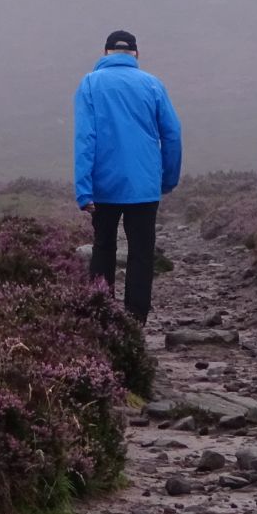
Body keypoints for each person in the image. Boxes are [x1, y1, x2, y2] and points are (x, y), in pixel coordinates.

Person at [72, 29, 183, 325]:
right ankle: (136, 319)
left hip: (103, 186)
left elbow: (85, 139)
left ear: (105, 53)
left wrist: (83, 190)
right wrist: (167, 179)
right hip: (145, 185)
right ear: (135, 54)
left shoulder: (90, 84)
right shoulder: (152, 84)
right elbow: (172, 134)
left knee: (103, 246)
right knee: (142, 252)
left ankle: (102, 315)